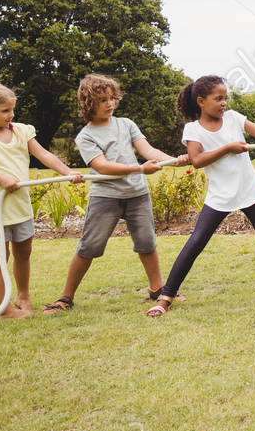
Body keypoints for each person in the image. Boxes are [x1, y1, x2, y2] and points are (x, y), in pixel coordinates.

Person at [147, 76, 255, 317]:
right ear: (201, 101)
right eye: (218, 98)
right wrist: (227, 148)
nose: (224, 103)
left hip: (250, 190)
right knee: (195, 243)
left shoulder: (234, 118)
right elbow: (196, 161)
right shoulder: (193, 129)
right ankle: (165, 298)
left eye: (225, 98)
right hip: (220, 196)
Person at [44, 74, 188, 314]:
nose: (110, 103)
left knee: (146, 243)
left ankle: (157, 290)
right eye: (102, 100)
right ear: (88, 103)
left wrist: (174, 161)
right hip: (105, 197)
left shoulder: (126, 124)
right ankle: (66, 298)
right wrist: (140, 168)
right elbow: (102, 166)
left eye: (112, 98)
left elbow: (148, 150)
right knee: (88, 247)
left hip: (137, 194)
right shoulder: (85, 136)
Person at [0, 81, 82, 319]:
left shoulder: (21, 131)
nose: (11, 114)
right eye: (5, 110)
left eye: (12, 109)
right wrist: (0, 178)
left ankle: (22, 296)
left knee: (24, 252)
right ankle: (5, 310)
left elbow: (44, 154)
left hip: (20, 206)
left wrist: (66, 172)